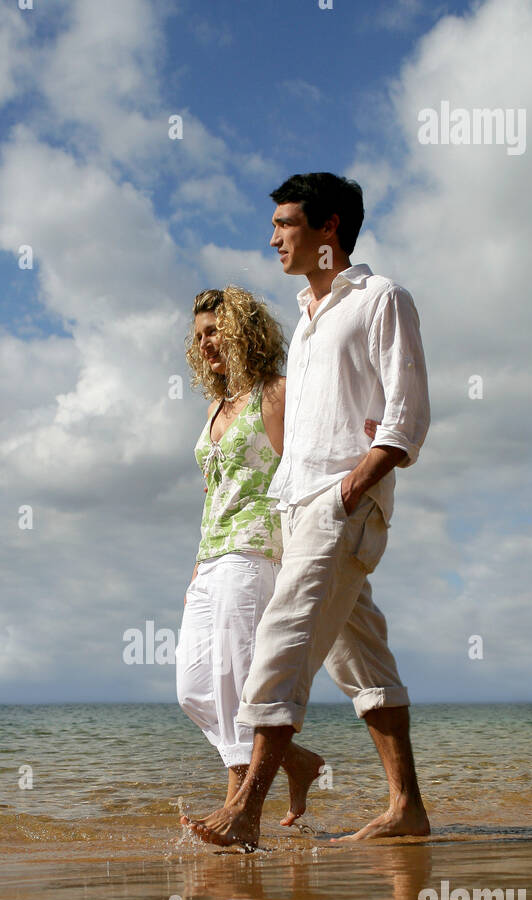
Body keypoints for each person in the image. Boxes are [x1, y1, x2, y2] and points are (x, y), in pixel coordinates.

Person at [183, 173, 431, 849]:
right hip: (298, 509)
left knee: (279, 645)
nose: (273, 238)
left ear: (328, 228)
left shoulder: (381, 299)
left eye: (285, 224)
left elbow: (407, 413)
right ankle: (406, 807)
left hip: (339, 503)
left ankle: (245, 811)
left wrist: (354, 487)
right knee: (362, 662)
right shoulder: (307, 325)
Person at [177, 285, 340, 827]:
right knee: (194, 688)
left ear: (243, 331)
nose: (206, 344)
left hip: (255, 552)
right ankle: (298, 762)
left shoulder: (277, 393)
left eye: (215, 331)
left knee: (240, 688)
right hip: (210, 559)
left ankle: (238, 813)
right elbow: (213, 492)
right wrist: (196, 565)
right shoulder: (215, 407)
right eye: (199, 336)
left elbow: (314, 461)